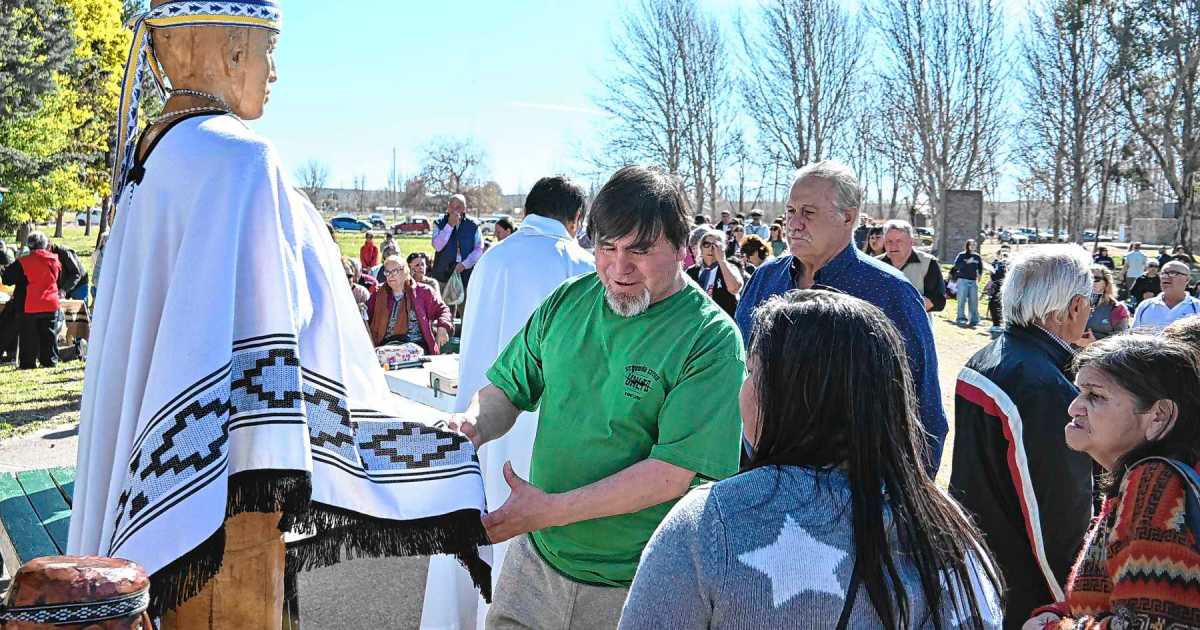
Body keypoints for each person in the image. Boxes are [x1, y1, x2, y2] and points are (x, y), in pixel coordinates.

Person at [66, 3, 490, 625]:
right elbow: (286, 336)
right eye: (270, 53)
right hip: (231, 495)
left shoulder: (153, 157)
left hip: (161, 470)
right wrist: (426, 446)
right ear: (232, 52)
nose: (274, 73)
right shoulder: (240, 160)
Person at [452, 165, 745, 629]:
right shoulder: (569, 301)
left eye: (640, 250)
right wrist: (468, 426)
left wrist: (549, 511)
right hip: (536, 562)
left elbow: (670, 474)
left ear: (682, 248)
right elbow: (506, 389)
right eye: (606, 247)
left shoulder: (710, 338)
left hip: (637, 582)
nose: (618, 266)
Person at [620, 291, 1003, 629]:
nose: (743, 388)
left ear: (788, 396)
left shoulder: (710, 522)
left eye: (752, 373)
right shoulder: (949, 528)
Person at [423, 175, 597, 630]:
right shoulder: (578, 263)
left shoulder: (492, 259)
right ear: (575, 219)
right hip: (538, 426)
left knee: (475, 534)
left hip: (478, 417)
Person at [735, 161, 947, 472]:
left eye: (808, 213)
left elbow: (923, 410)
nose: (794, 223)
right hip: (759, 479)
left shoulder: (890, 293)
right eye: (790, 211)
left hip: (853, 492)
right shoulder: (765, 280)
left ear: (847, 217)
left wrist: (899, 511)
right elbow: (738, 373)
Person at [950, 245, 1096, 629]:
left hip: (982, 565)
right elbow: (1054, 511)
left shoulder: (985, 356)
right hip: (1025, 587)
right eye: (1090, 301)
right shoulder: (1042, 385)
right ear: (1074, 306)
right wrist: (1072, 599)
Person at [1024, 335, 1200, 629]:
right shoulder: (1139, 478)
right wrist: (1059, 611)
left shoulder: (1156, 483)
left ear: (1158, 416)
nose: (1073, 408)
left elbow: (1148, 624)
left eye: (1095, 396)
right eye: (1079, 392)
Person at [366, 256, 452, 352]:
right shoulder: (377, 294)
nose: (390, 275)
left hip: (417, 346)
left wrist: (442, 327)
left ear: (405, 272)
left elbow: (443, 310)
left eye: (395, 271)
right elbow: (365, 318)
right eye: (387, 272)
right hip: (386, 347)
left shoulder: (423, 292)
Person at [14, 232, 61, 369]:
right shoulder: (54, 260)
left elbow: (7, 278)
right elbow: (58, 278)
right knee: (49, 336)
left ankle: (28, 364)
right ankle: (50, 361)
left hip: (31, 303)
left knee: (28, 336)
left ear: (29, 245)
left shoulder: (24, 261)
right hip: (51, 302)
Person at [881, 220, 946, 314]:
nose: (893, 245)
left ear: (911, 242)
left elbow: (938, 300)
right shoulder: (874, 263)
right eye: (889, 241)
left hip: (915, 324)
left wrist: (904, 307)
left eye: (899, 241)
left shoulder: (928, 262)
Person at [685, 227, 744, 317]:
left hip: (722, 321)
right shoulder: (691, 271)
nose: (710, 248)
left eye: (715, 245)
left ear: (723, 248)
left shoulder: (730, 268)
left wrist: (722, 261)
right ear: (701, 247)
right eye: (706, 244)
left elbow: (734, 288)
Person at [431, 194, 483, 292]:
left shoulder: (473, 225)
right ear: (447, 207)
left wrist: (465, 264)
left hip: (466, 275)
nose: (454, 210)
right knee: (443, 306)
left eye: (458, 207)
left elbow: (479, 249)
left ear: (464, 208)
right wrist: (449, 225)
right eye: (451, 206)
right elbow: (437, 246)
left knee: (464, 306)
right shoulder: (438, 223)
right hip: (442, 275)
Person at [1131, 260, 1199, 331]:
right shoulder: (1145, 306)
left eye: (1173, 273)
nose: (1165, 276)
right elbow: (1134, 335)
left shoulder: (1197, 307)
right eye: (1163, 273)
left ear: (1187, 279)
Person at [1083, 265, 1129, 342]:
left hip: (1102, 352)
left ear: (1106, 283)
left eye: (1095, 279)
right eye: (1087, 278)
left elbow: (1122, 339)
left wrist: (1095, 342)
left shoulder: (1117, 308)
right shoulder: (1074, 305)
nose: (1090, 282)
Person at [952, 239, 985, 327]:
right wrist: (966, 262)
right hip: (963, 280)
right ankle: (961, 318)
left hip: (973, 281)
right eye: (971, 245)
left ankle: (974, 319)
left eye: (974, 244)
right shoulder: (962, 255)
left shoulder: (977, 256)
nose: (973, 246)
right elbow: (956, 266)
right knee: (961, 300)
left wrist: (980, 275)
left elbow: (980, 267)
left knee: (974, 301)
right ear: (967, 246)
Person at [985, 244, 1011, 331]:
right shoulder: (995, 263)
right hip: (995, 286)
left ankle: (1005, 324)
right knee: (993, 303)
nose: (1003, 255)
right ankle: (996, 324)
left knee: (1004, 305)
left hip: (1006, 286)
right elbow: (991, 274)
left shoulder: (1010, 262)